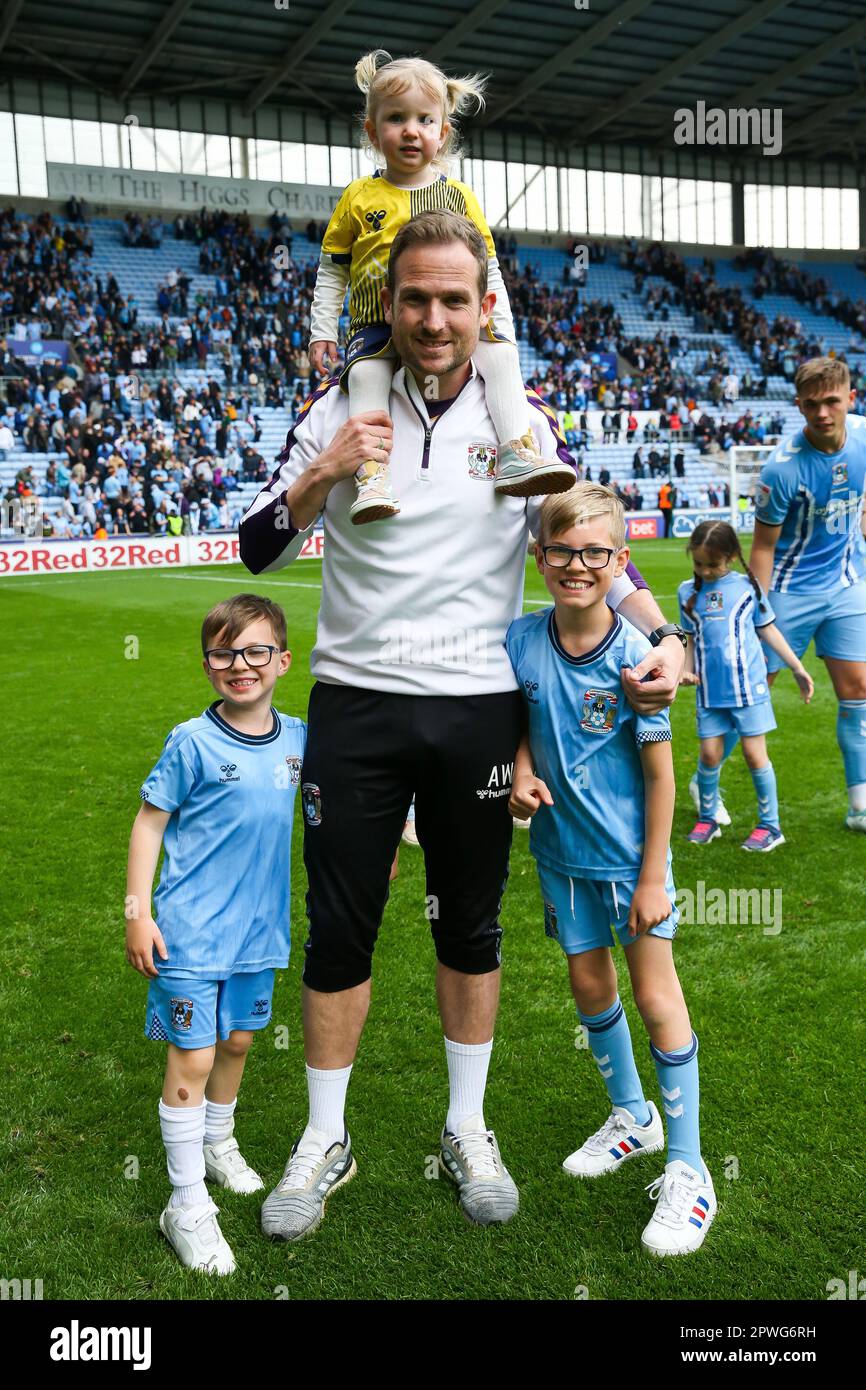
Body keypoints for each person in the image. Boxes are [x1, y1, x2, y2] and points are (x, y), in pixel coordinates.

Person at [238, 209, 687, 1242]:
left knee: (468, 924)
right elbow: (257, 544)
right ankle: (323, 1139)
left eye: (452, 300)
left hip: (479, 708)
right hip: (354, 700)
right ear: (385, 305)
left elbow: (590, 546)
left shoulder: (518, 417)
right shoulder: (335, 410)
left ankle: (465, 1128)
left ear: (483, 307)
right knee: (340, 924)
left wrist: (667, 638)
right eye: (413, 299)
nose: (433, 320)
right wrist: (324, 469)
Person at [505, 484, 714, 1257]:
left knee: (657, 998)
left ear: (620, 561)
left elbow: (662, 777)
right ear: (539, 556)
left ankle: (691, 1166)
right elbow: (523, 725)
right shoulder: (521, 641)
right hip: (559, 856)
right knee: (589, 987)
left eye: (596, 553)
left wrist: (655, 876)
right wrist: (523, 774)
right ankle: (635, 1114)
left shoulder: (639, 658)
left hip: (631, 864)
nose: (577, 565)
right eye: (562, 551)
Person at [308, 49, 573, 524]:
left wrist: (499, 328)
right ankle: (372, 476)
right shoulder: (358, 197)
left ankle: (517, 453)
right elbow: (333, 270)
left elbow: (487, 266)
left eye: (425, 120)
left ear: (442, 132)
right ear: (372, 132)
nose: (411, 130)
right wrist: (321, 331)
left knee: (503, 358)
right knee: (367, 376)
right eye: (396, 118)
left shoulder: (458, 195)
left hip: (449, 325)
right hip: (374, 322)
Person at [124, 595, 306, 1274]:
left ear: (282, 661)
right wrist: (137, 912)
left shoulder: (300, 738)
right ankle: (186, 1202)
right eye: (225, 653)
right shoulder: (191, 741)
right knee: (192, 1060)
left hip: (259, 932)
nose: (241, 665)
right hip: (189, 934)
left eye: (256, 651)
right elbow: (149, 824)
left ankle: (218, 1141)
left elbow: (341, 797)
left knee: (237, 1042)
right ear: (208, 665)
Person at [751, 357, 866, 832]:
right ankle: (707, 779)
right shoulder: (781, 469)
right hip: (788, 591)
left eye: (832, 401)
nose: (823, 413)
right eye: (813, 404)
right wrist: (754, 609)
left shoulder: (863, 436)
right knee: (750, 692)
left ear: (850, 399)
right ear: (799, 405)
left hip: (846, 584)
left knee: (858, 690)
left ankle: (860, 805)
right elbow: (762, 547)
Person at [678, 522, 814, 851]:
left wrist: (796, 667)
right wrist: (686, 669)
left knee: (755, 756)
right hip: (709, 692)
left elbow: (768, 631)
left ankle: (770, 825)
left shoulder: (746, 588)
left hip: (748, 691)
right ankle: (708, 819)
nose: (706, 571)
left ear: (732, 556)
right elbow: (690, 641)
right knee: (709, 755)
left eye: (714, 564)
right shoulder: (687, 592)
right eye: (699, 564)